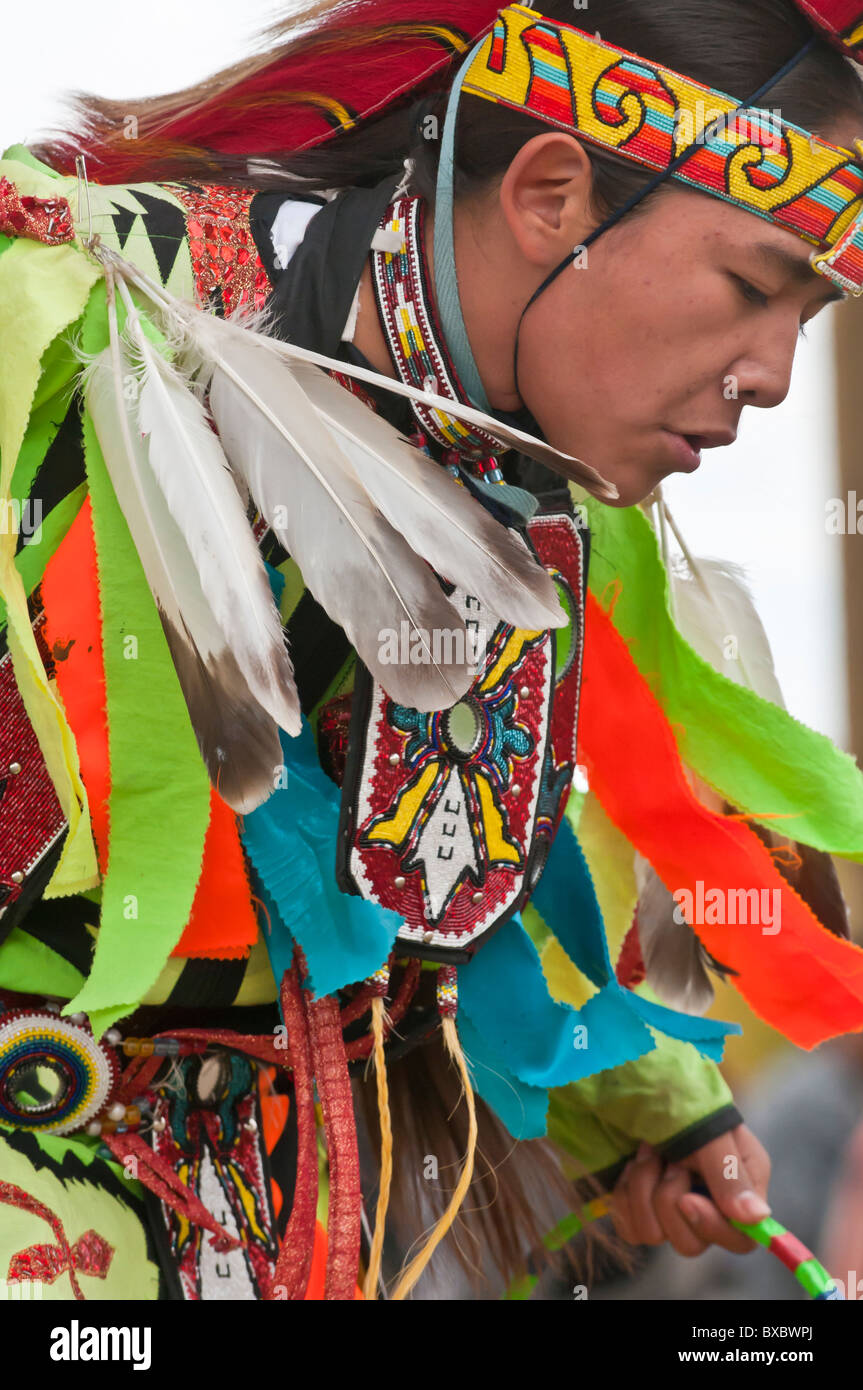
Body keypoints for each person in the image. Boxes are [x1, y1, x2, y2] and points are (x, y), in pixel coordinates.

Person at [0, 0, 862, 1302]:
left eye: (813, 313)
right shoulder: (59, 316)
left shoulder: (527, 494)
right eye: (751, 285)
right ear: (552, 196)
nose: (778, 374)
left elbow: (428, 890)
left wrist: (642, 1103)